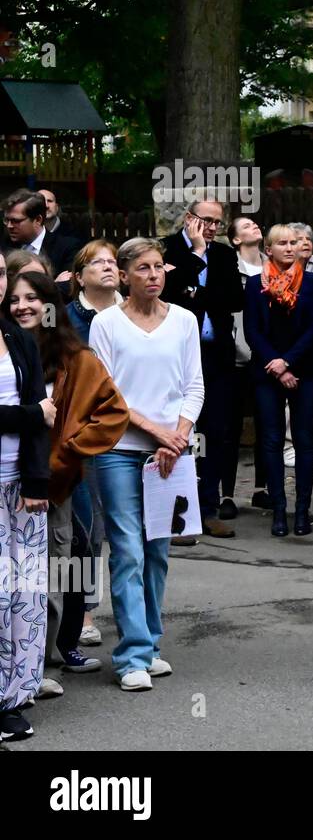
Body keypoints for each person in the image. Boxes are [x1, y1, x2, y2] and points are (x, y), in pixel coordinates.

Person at [90, 237, 205, 691]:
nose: (154, 275)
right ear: (124, 275)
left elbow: (193, 385)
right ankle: (131, 655)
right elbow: (106, 394)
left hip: (171, 450)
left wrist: (175, 437)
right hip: (119, 448)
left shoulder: (184, 320)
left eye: (159, 267)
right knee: (128, 548)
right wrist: (158, 433)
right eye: (143, 268)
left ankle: (151, 644)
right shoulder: (106, 323)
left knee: (159, 548)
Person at [8, 272, 127, 686]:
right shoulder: (8, 352)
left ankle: (59, 648)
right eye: (14, 299)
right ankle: (27, 665)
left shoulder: (76, 357)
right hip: (11, 478)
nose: (22, 306)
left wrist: (71, 446)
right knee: (21, 574)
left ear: (50, 307)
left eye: (32, 298)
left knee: (68, 560)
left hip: (57, 481)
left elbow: (113, 412)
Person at [161, 199, 243, 540]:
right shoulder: (167, 250)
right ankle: (173, 512)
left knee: (215, 431)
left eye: (217, 223)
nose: (211, 228)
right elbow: (170, 293)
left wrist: (198, 292)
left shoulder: (224, 255)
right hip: (176, 356)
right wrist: (195, 256)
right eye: (205, 220)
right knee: (175, 433)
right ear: (189, 218)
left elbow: (235, 299)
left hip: (215, 355)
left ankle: (207, 509)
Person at [0, 263, 53, 741]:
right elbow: (37, 410)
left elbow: (44, 416)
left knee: (24, 594)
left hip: (18, 487)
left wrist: (38, 482)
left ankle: (11, 698)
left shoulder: (16, 337)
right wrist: (30, 413)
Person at [245, 224, 313, 537]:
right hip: (267, 370)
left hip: (305, 368)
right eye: (283, 243)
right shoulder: (255, 285)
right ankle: (278, 509)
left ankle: (302, 511)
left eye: (294, 242)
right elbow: (252, 330)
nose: (291, 248)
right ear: (269, 249)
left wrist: (289, 361)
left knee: (305, 438)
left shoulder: (312, 282)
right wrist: (277, 366)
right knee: (272, 439)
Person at [65, 240, 123, 648]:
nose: (107, 267)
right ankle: (81, 612)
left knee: (125, 525)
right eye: (96, 262)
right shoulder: (66, 318)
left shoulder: (134, 312)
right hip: (83, 431)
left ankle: (131, 608)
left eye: (112, 261)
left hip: (130, 428)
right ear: (78, 274)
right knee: (86, 526)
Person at [226, 216, 269, 515]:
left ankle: (261, 489)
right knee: (230, 428)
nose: (254, 226)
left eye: (256, 223)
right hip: (236, 355)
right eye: (245, 226)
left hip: (266, 357)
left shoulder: (273, 266)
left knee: (267, 425)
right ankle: (226, 495)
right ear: (235, 240)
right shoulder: (230, 269)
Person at [2, 189, 79, 274]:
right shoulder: (3, 248)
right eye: (6, 220)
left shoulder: (67, 248)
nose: (9, 226)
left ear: (38, 220)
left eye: (16, 221)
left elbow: (68, 285)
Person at [37, 188, 86, 280]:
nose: (46, 205)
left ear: (57, 207)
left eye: (50, 201)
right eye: (41, 201)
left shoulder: (73, 234)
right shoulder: (26, 236)